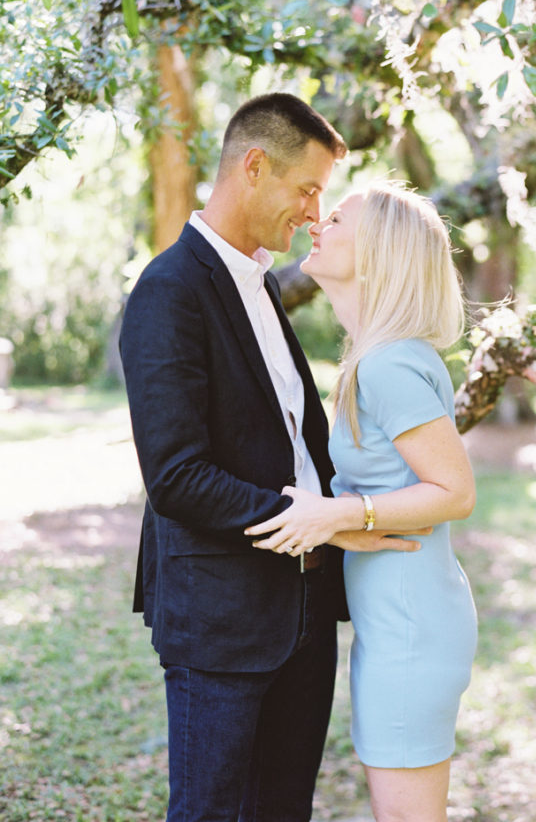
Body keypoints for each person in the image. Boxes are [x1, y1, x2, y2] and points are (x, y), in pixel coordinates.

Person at [119, 94, 423, 822]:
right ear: (254, 167)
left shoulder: (262, 286)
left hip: (306, 617)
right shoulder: (168, 293)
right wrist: (322, 523)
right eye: (308, 190)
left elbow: (289, 444)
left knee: (283, 811)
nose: (316, 214)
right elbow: (177, 477)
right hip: (221, 623)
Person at [246, 180, 478, 822]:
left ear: (376, 252)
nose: (317, 222)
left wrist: (340, 516)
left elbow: (455, 492)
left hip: (411, 629)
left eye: (338, 217)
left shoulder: (387, 366)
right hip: (405, 617)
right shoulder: (379, 356)